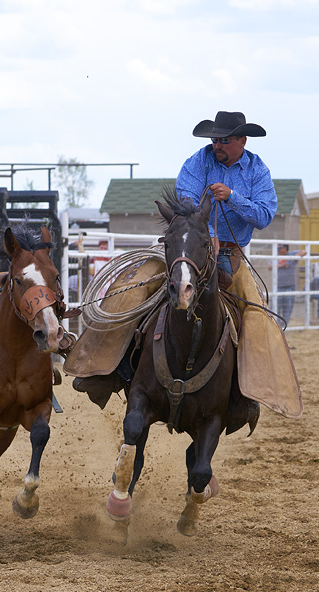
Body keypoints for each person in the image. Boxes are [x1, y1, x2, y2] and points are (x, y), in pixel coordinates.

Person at [68, 111, 301, 418]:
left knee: (254, 312)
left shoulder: (258, 171)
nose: (217, 145)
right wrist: (203, 231)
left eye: (224, 140)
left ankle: (250, 392)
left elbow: (264, 215)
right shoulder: (198, 161)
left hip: (230, 254)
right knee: (133, 287)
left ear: (242, 141)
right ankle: (105, 368)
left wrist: (232, 197)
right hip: (188, 246)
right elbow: (185, 202)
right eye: (214, 139)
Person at [276, 243, 304, 325]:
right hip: (279, 286)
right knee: (276, 308)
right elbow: (270, 267)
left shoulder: (291, 254)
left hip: (290, 287)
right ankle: (277, 326)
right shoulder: (277, 256)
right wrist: (280, 265)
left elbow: (303, 252)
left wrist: (290, 259)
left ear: (285, 249)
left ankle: (284, 326)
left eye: (279, 248)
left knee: (287, 309)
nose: (278, 250)